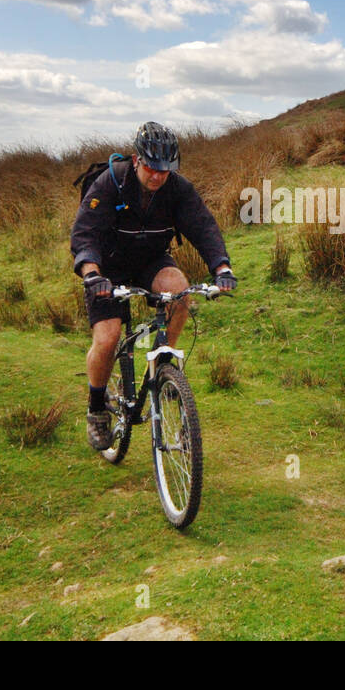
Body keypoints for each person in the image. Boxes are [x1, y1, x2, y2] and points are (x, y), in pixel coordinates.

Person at [70, 121, 237, 450]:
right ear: (136, 160)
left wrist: (222, 267)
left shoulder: (177, 188)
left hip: (150, 260)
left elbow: (203, 226)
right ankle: (96, 409)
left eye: (165, 170)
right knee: (108, 337)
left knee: (179, 288)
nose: (158, 176)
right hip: (108, 267)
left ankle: (162, 365)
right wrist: (91, 273)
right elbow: (85, 233)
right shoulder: (110, 183)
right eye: (151, 168)